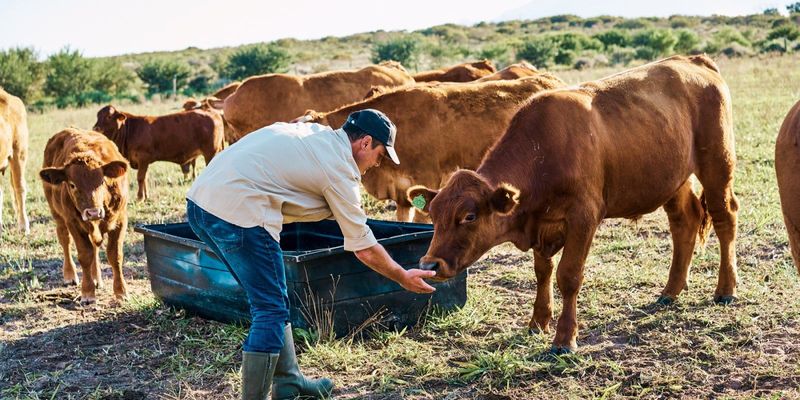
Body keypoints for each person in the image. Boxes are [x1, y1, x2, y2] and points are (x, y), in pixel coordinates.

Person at [185, 109, 436, 400]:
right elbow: (364, 248)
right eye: (380, 155)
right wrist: (402, 276)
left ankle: (289, 382)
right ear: (365, 143)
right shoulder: (339, 169)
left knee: (272, 300)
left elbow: (294, 130)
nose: (378, 164)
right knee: (270, 310)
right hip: (238, 212)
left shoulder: (318, 135)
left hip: (200, 204)